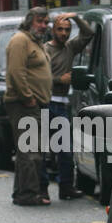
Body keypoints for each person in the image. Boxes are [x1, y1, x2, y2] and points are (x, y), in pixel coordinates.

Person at [4, 6, 53, 206]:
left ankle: (22, 192)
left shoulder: (35, 42)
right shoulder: (20, 41)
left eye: (45, 22)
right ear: (29, 21)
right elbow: (16, 72)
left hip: (35, 104)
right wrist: (28, 97)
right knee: (30, 151)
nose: (43, 26)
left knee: (31, 150)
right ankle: (28, 194)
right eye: (39, 21)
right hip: (23, 104)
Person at [46, 12, 96, 199]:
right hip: (48, 103)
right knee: (48, 150)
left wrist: (75, 17)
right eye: (60, 29)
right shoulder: (45, 50)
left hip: (63, 104)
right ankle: (44, 188)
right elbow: (38, 79)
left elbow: (88, 33)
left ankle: (65, 187)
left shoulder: (70, 47)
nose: (64, 33)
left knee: (65, 150)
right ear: (53, 30)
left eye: (67, 30)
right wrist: (60, 79)